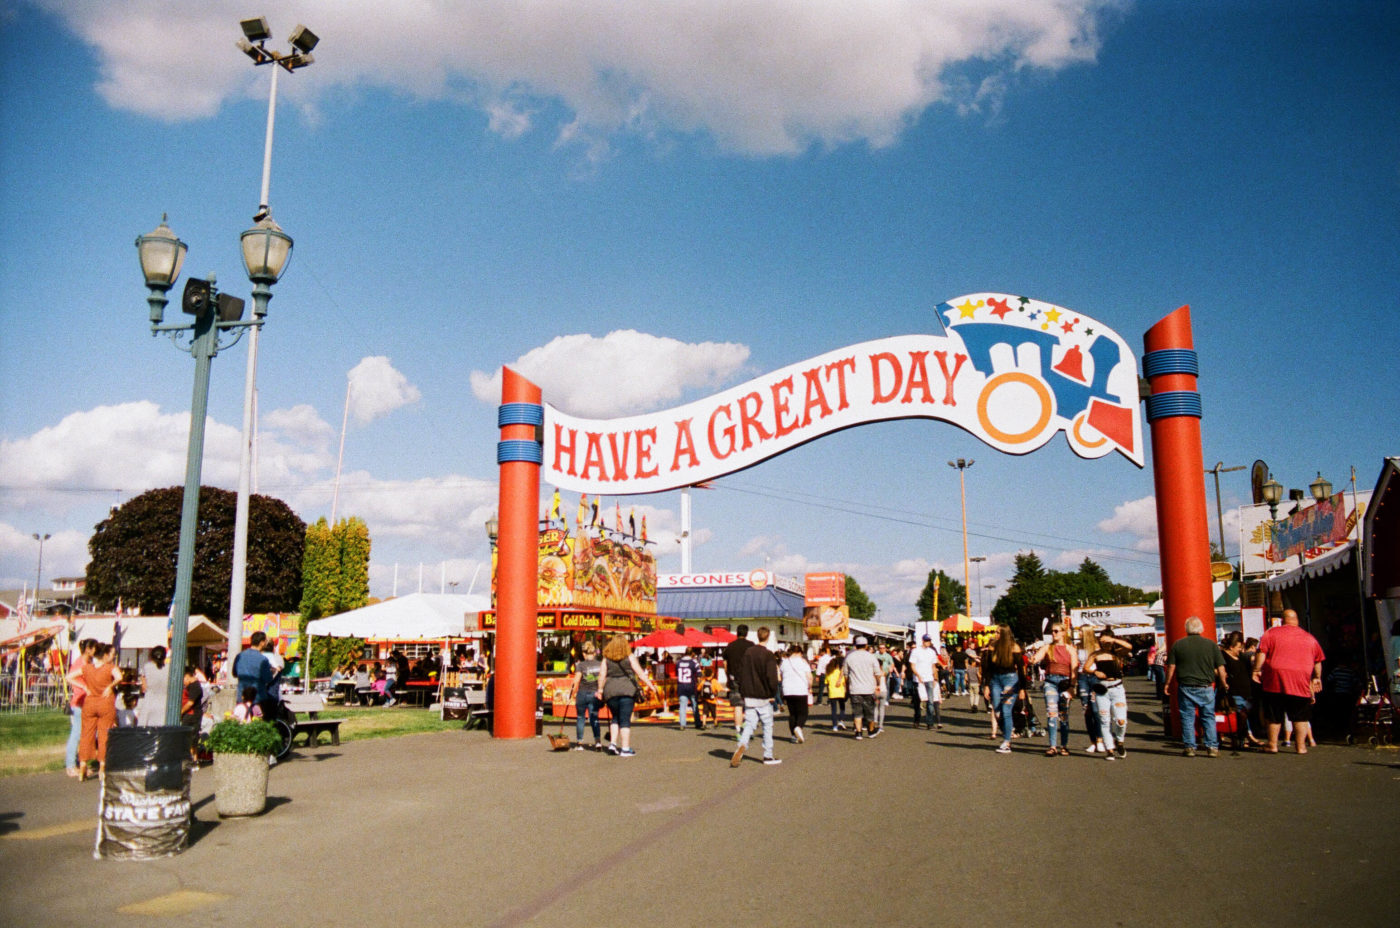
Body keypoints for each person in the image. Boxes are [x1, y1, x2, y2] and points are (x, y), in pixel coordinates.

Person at [1253, 609, 1325, 754]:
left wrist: (1256, 669)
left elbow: (1262, 653)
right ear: (1297, 620)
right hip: (1300, 680)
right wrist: (1317, 677)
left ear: (1282, 620)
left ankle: (1272, 745)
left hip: (1275, 679)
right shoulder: (1309, 638)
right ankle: (1301, 746)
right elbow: (1318, 661)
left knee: (1274, 715)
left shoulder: (1271, 633)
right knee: (1300, 716)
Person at [1165, 616, 1228, 757]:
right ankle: (1212, 747)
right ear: (1201, 628)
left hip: (1185, 686)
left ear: (1186, 629)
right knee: (1208, 717)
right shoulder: (1211, 645)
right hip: (1206, 686)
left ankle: (1190, 747)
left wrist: (1167, 683)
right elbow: (1221, 667)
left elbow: (1171, 667)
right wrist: (1224, 683)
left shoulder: (1178, 645)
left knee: (1187, 717)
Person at [729, 627, 783, 766]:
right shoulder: (768, 655)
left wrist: (743, 690)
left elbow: (740, 673)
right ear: (768, 637)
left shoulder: (748, 653)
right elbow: (771, 677)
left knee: (750, 724)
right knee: (767, 725)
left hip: (749, 695)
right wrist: (772, 693)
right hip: (763, 695)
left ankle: (742, 745)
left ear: (757, 636)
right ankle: (768, 755)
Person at [600, 634, 655, 757]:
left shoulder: (606, 658)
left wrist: (599, 690)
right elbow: (640, 673)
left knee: (615, 718)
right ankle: (625, 749)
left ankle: (613, 744)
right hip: (627, 691)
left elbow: (602, 675)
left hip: (611, 691)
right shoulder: (630, 657)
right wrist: (651, 685)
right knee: (625, 720)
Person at [74, 643, 120, 780]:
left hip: (90, 702)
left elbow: (69, 676)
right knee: (104, 734)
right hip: (105, 703)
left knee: (86, 733)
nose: (113, 657)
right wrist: (110, 686)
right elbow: (119, 677)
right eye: (112, 654)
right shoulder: (110, 668)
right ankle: (102, 766)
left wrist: (84, 687)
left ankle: (83, 763)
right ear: (105, 655)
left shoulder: (87, 668)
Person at [1030, 624, 1077, 756]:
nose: (1054, 633)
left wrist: (1072, 687)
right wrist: (1032, 658)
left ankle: (1064, 745)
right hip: (1050, 682)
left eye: (1056, 631)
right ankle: (1052, 746)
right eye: (1052, 631)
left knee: (1063, 715)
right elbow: (1035, 659)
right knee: (1051, 714)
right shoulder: (1047, 647)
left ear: (1063, 632)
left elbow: (1074, 670)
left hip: (1065, 682)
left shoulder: (1070, 649)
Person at [981, 625, 1022, 754]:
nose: (996, 634)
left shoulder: (1014, 647)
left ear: (1004, 634)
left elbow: (1021, 669)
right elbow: (988, 668)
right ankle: (1008, 731)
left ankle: (1007, 742)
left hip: (1010, 679)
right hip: (995, 680)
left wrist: (1022, 688)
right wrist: (986, 685)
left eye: (998, 632)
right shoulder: (992, 647)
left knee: (1006, 709)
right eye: (995, 632)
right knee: (997, 711)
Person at [1084, 640, 1128, 759]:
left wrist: (1114, 640)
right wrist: (1095, 672)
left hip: (1117, 688)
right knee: (1104, 720)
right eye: (1103, 641)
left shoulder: (1117, 653)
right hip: (1102, 689)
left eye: (1107, 641)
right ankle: (1110, 750)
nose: (1105, 644)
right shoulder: (1095, 654)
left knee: (1121, 721)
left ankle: (1119, 741)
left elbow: (1129, 647)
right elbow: (1085, 668)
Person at [1221, 631, 1262, 749]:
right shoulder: (1223, 656)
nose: (1240, 650)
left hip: (1245, 691)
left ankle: (1244, 737)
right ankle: (1242, 737)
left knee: (1244, 715)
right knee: (1240, 715)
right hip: (1234, 690)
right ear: (1231, 646)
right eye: (1238, 647)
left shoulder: (1240, 656)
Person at [64, 638, 97, 779]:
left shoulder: (89, 663)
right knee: (76, 734)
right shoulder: (79, 663)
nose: (96, 651)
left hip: (87, 703)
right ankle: (70, 765)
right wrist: (83, 686)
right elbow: (70, 678)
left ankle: (81, 763)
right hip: (79, 703)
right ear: (88, 649)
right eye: (94, 648)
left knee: (86, 735)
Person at [843, 636, 883, 740]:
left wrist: (847, 686)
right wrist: (878, 684)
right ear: (866, 646)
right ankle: (871, 731)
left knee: (857, 712)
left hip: (854, 688)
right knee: (870, 711)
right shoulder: (871, 657)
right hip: (869, 688)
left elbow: (845, 674)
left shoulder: (849, 657)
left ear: (855, 645)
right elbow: (877, 673)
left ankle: (858, 732)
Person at [571, 640, 605, 749]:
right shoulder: (600, 665)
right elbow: (603, 679)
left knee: (580, 717)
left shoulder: (580, 665)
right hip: (594, 693)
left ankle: (579, 742)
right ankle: (597, 741)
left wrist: (572, 693)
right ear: (594, 653)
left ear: (583, 654)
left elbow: (576, 681)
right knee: (594, 717)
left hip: (582, 693)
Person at [234, 631, 274, 716]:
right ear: (262, 643)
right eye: (265, 641)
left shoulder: (239, 656)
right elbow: (268, 679)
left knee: (241, 721)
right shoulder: (263, 659)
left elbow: (234, 673)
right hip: (258, 698)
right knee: (258, 722)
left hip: (241, 697)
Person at [722, 624, 753, 735]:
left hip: (734, 677)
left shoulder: (730, 646)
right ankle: (749, 728)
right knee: (749, 705)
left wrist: (727, 677)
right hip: (748, 679)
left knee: (738, 705)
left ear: (737, 633)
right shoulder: (751, 646)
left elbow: (725, 664)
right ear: (746, 633)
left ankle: (738, 730)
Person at [779, 644, 812, 743]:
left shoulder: (784, 662)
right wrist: (809, 687)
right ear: (799, 653)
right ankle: (798, 727)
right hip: (800, 689)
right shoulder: (803, 662)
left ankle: (793, 736)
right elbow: (809, 677)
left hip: (787, 690)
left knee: (792, 713)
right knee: (803, 713)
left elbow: (781, 676)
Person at [908, 634, 941, 730]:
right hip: (918, 680)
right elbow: (912, 665)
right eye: (926, 640)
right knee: (917, 701)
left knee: (930, 701)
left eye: (929, 640)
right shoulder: (915, 651)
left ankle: (929, 722)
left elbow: (933, 666)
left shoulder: (932, 652)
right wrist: (918, 675)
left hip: (929, 678)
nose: (928, 642)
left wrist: (935, 678)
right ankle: (917, 720)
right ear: (923, 641)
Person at [137, 645, 170, 726]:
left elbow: (144, 687)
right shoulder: (170, 668)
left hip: (149, 702)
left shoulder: (146, 667)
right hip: (165, 703)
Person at [674, 648, 703, 731]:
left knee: (682, 706)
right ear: (692, 653)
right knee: (694, 705)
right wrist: (699, 684)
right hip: (691, 686)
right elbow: (699, 675)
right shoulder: (694, 662)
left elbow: (676, 674)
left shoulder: (678, 663)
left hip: (681, 686)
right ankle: (697, 723)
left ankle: (682, 724)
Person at [824, 653, 848, 730]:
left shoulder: (828, 673)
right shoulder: (839, 672)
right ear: (837, 665)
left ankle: (834, 726)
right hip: (840, 692)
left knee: (833, 710)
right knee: (842, 707)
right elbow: (843, 682)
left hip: (832, 692)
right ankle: (841, 720)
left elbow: (826, 682)